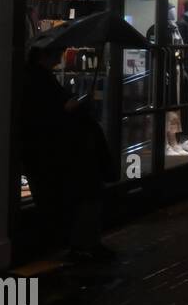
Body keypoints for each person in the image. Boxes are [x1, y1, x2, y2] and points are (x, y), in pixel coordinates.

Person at [20, 43, 116, 263]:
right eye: (57, 52)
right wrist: (76, 104)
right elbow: (54, 111)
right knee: (83, 195)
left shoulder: (36, 77)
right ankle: (81, 244)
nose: (61, 56)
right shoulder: (40, 80)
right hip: (56, 150)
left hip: (50, 150)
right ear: (44, 55)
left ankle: (78, 243)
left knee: (75, 197)